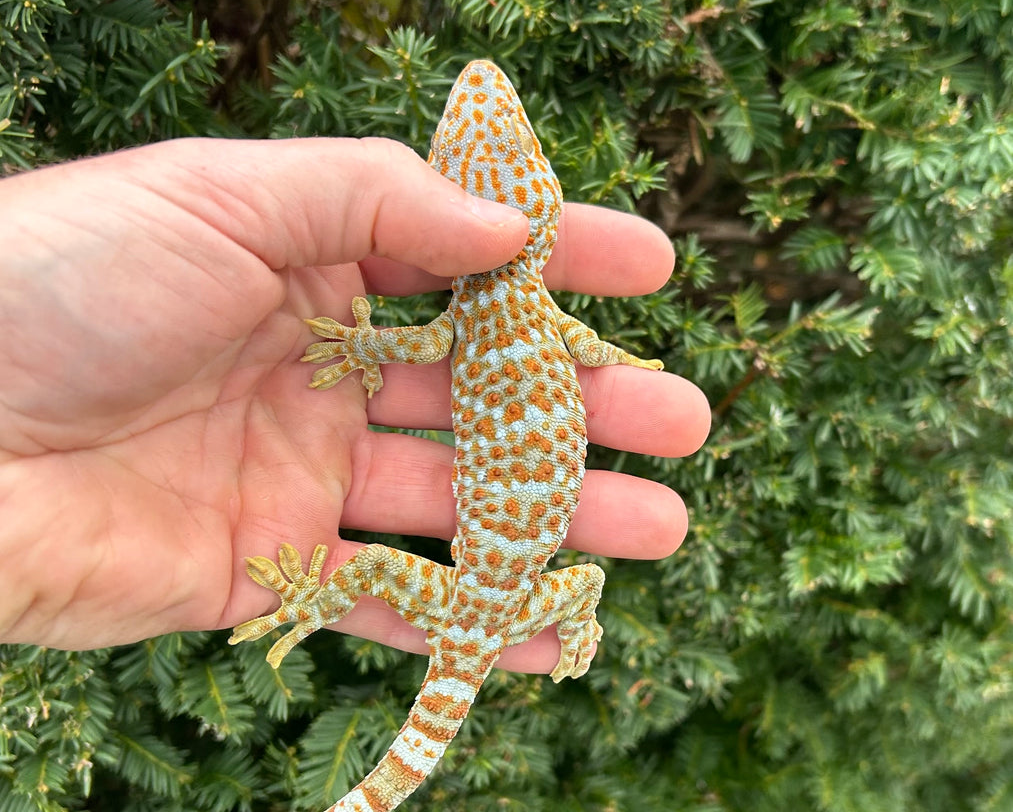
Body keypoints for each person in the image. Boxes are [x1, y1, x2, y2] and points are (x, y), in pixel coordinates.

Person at [0, 136, 710, 669]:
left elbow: (427, 346)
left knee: (526, 574)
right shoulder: (546, 320)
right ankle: (574, 626)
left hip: (500, 586)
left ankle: (317, 605)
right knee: (577, 577)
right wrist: (620, 358)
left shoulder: (476, 318)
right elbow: (584, 346)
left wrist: (363, 347)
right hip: (513, 588)